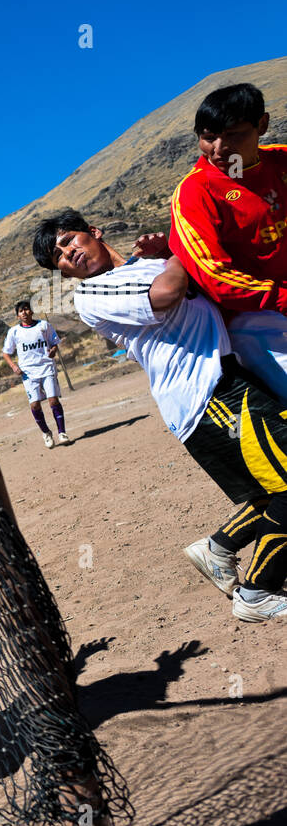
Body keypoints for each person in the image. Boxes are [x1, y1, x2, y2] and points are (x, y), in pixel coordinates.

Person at [33, 209, 287, 621]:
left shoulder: (142, 265)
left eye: (69, 241)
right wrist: (180, 248)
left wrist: (165, 253)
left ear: (93, 231)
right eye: (59, 257)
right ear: (64, 274)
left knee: (269, 491)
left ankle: (218, 548)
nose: (68, 254)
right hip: (205, 394)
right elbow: (167, 293)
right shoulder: (93, 295)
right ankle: (257, 592)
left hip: (229, 378)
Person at [169, 83, 287, 315]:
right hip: (258, 317)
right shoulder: (195, 192)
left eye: (233, 135)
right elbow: (215, 276)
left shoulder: (281, 159)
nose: (219, 148)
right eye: (209, 138)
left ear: (262, 125)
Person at [2, 300, 69, 448]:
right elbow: (6, 353)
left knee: (53, 400)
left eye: (26, 309)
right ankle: (46, 432)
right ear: (18, 315)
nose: (24, 313)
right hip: (28, 373)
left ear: (31, 311)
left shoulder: (43, 326)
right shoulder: (14, 332)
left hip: (46, 367)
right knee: (35, 405)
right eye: (20, 311)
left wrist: (53, 350)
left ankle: (62, 433)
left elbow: (54, 342)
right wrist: (14, 366)